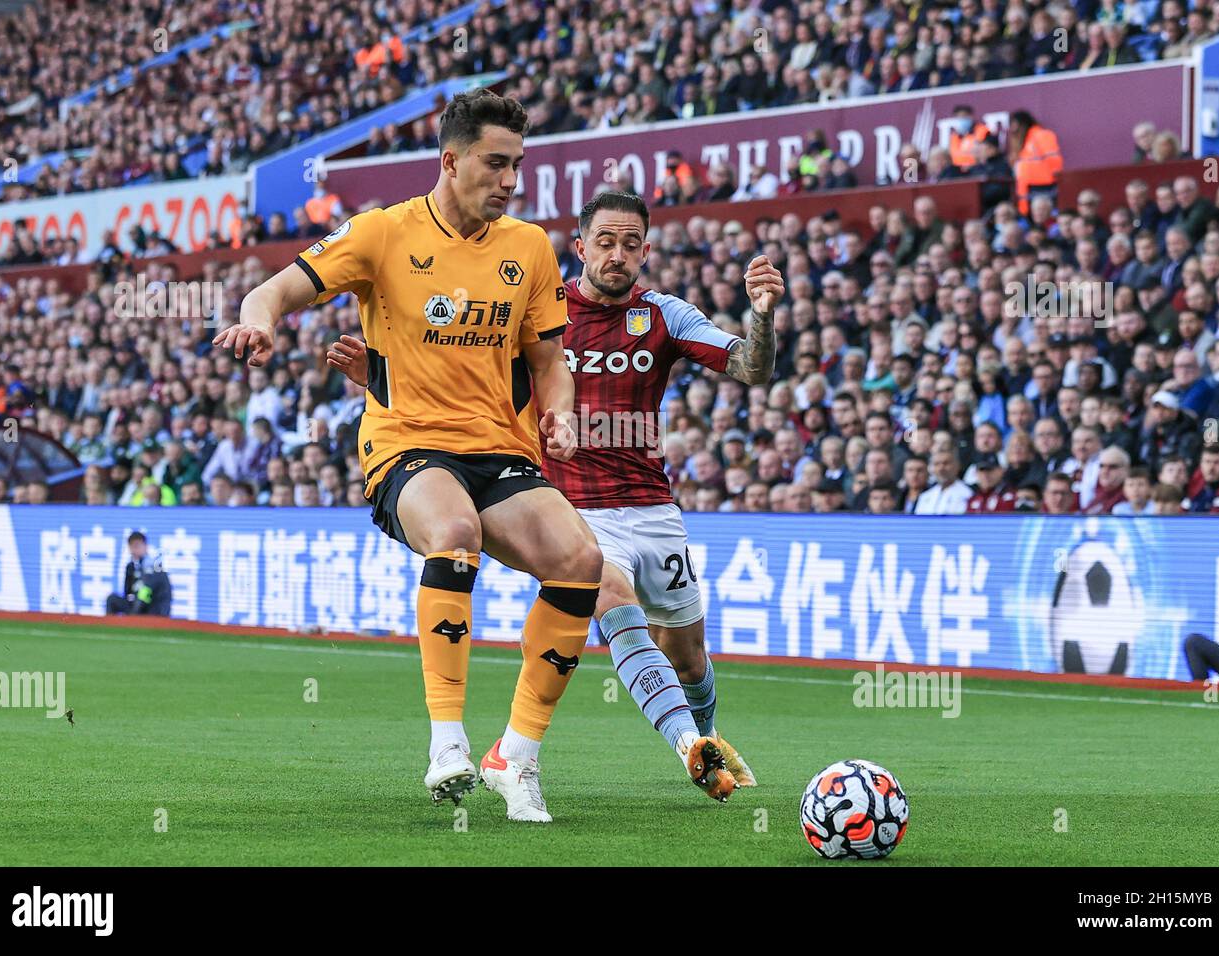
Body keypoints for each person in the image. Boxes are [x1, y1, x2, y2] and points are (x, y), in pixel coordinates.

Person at [214, 89, 604, 824]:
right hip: (408, 445)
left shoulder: (528, 248)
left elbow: (551, 362)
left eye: (517, 166)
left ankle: (516, 756)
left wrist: (560, 412)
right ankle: (447, 739)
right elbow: (277, 289)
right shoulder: (383, 232)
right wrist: (257, 322)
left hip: (499, 448)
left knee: (581, 561)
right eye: (495, 164)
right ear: (450, 162)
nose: (510, 181)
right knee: (454, 533)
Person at [329, 189, 785, 801]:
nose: (617, 254)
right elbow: (457, 373)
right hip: (569, 508)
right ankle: (687, 746)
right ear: (580, 247)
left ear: (646, 252)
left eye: (630, 244)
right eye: (605, 242)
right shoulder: (539, 309)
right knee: (611, 598)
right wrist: (381, 377)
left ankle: (707, 737)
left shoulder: (665, 316)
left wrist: (761, 316)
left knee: (689, 658)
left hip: (653, 508)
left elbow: (751, 368)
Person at [104, 532, 171, 617]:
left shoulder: (155, 567)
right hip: (136, 606)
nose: (133, 550)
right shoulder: (131, 567)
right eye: (131, 547)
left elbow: (145, 593)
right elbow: (128, 593)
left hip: (153, 610)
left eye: (137, 546)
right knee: (112, 599)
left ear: (145, 546)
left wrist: (132, 616)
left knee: (141, 599)